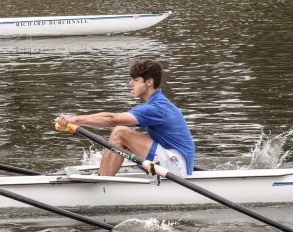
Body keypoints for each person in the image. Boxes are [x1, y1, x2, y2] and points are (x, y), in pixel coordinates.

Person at [55, 59, 195, 176]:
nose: (130, 83)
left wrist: (74, 120)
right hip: (171, 161)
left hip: (177, 167)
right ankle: (102, 176)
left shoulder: (156, 108)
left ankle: (103, 183)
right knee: (119, 134)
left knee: (120, 131)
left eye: (135, 80)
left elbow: (111, 119)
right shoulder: (155, 103)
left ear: (149, 82)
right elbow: (109, 116)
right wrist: (75, 120)